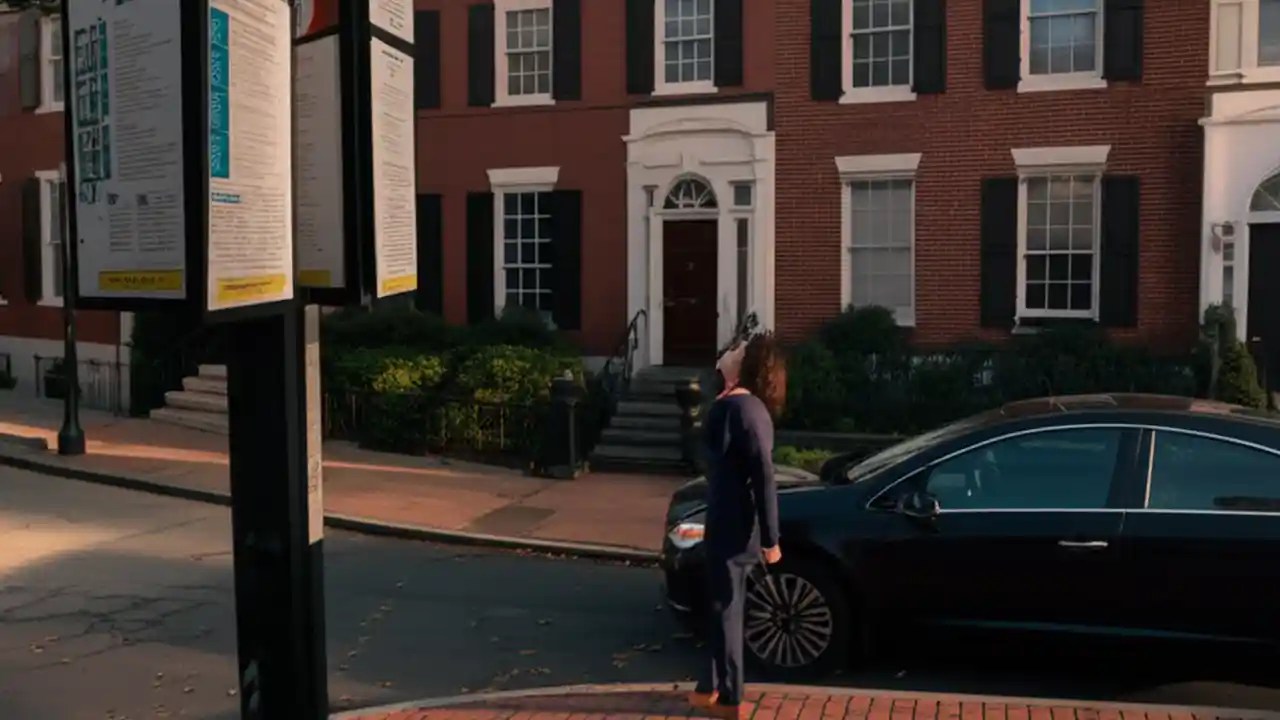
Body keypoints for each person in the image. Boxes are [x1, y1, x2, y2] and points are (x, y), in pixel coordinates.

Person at [689, 333, 786, 719]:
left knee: (727, 607)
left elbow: (763, 472)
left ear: (745, 365)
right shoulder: (737, 407)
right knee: (723, 604)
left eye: (737, 350)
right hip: (731, 522)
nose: (728, 352)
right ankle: (710, 684)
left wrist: (772, 536)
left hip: (732, 526)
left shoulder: (740, 410)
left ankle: (730, 695)